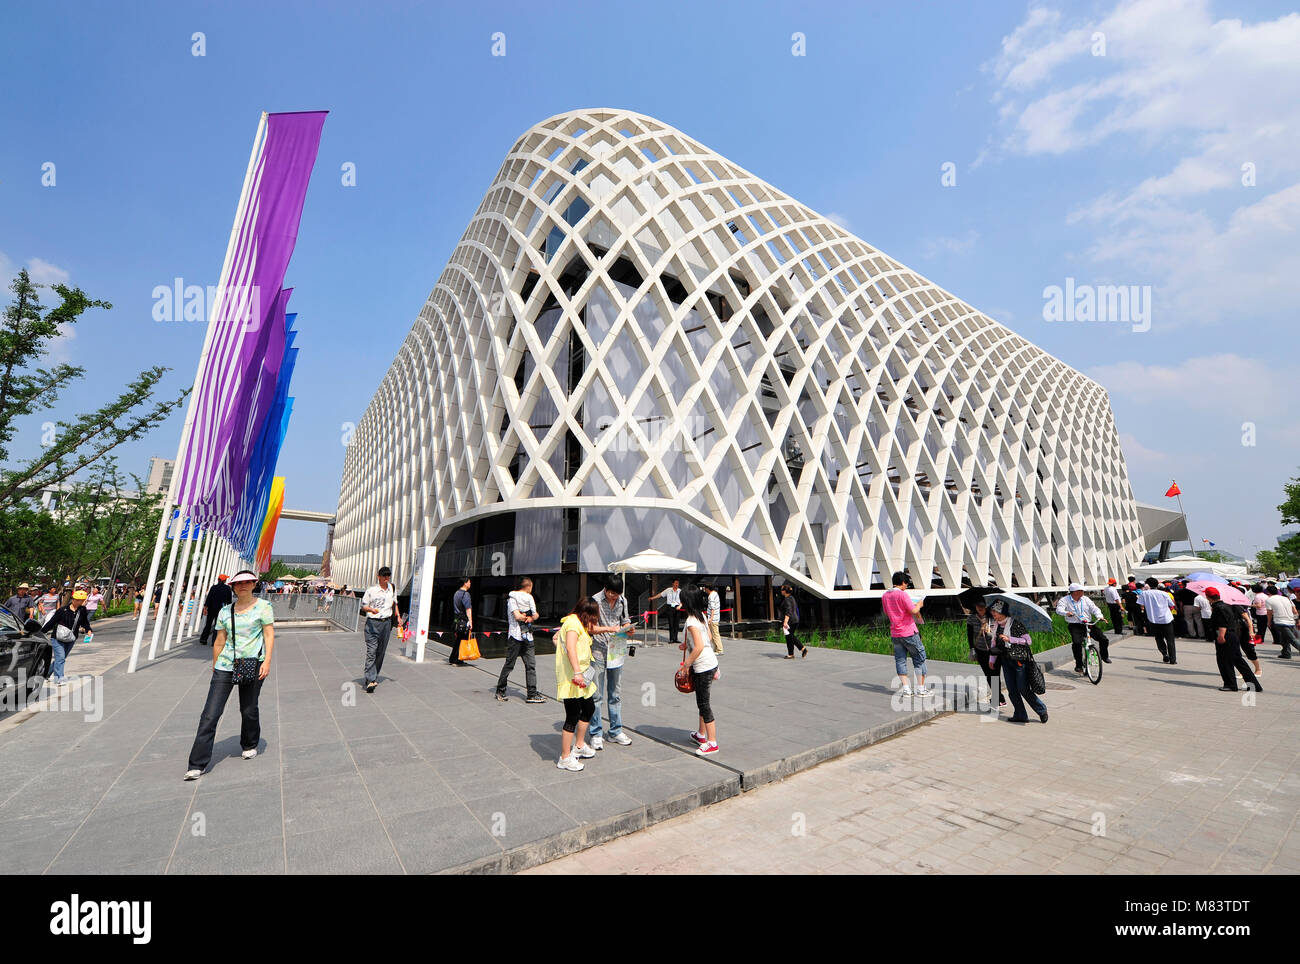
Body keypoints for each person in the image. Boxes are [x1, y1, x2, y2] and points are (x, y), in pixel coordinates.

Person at [184, 571, 275, 779]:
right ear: (232, 587)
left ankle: (250, 743)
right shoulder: (226, 611)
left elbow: (269, 635)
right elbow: (219, 641)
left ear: (254, 584)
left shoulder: (264, 607)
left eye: (247, 582)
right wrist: (216, 665)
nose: (242, 586)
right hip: (226, 665)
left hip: (253, 663)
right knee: (210, 714)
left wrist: (267, 661)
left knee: (248, 708)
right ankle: (197, 764)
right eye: (238, 583)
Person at [588, 578, 637, 748]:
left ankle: (615, 731)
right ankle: (595, 732)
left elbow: (625, 621)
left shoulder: (622, 601)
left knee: (615, 693)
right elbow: (591, 628)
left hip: (616, 649)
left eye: (617, 595)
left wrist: (629, 628)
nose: (613, 598)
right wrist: (610, 629)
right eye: (611, 594)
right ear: (605, 589)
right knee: (596, 695)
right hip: (598, 650)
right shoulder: (594, 601)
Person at [555, 595, 600, 772]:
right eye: (593, 616)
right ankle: (565, 757)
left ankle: (579, 745)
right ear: (586, 613)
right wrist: (577, 672)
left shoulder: (578, 622)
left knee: (589, 708)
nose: (594, 620)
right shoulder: (573, 623)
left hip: (582, 676)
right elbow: (571, 648)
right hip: (573, 677)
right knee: (572, 715)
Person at [989, 600, 1047, 723]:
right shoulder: (996, 625)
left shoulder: (1016, 624)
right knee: (1012, 690)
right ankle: (1020, 714)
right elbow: (994, 643)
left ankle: (1041, 710)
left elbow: (1028, 641)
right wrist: (992, 659)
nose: (993, 613)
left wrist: (1010, 639)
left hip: (1019, 662)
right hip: (1006, 661)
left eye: (995, 611)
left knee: (1023, 689)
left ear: (1002, 612)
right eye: (992, 611)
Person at [680, 586, 720, 756]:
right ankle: (700, 735)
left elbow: (698, 647)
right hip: (711, 662)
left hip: (702, 665)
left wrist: (685, 665)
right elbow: (708, 639)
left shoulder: (690, 621)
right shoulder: (701, 616)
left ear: (686, 602)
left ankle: (712, 742)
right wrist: (686, 645)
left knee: (704, 704)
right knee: (703, 701)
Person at [495, 576, 545, 703]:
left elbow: (532, 615)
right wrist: (529, 617)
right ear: (528, 587)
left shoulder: (523, 598)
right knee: (510, 664)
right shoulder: (512, 599)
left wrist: (529, 618)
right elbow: (518, 616)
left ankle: (532, 693)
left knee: (531, 665)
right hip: (516, 636)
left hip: (528, 636)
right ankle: (500, 690)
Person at [1206, 586, 1260, 693]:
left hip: (1225, 636)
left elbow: (1222, 623)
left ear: (1208, 597)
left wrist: (1221, 636)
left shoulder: (1219, 607)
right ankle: (1253, 684)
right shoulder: (1227, 605)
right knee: (1238, 660)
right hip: (1232, 635)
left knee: (1224, 661)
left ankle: (1230, 684)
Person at [883, 571, 927, 695]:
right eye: (906, 584)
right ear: (903, 582)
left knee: (900, 660)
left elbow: (887, 612)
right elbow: (913, 610)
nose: (906, 586)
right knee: (919, 658)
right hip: (908, 632)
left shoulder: (885, 595)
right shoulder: (903, 595)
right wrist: (919, 604)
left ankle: (906, 689)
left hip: (895, 633)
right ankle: (921, 689)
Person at [360, 566, 399, 693]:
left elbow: (394, 604)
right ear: (379, 576)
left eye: (388, 576)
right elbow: (364, 606)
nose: (387, 578)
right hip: (372, 623)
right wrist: (371, 610)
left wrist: (398, 617)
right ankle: (370, 679)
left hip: (386, 623)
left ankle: (373, 675)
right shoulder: (372, 590)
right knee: (372, 651)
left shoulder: (391, 589)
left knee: (381, 652)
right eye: (384, 576)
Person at [42, 589, 93, 685]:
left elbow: (85, 622)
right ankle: (59, 679)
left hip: (71, 638)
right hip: (57, 638)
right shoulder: (63, 610)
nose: (82, 602)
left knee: (60, 658)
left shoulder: (82, 610)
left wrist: (88, 629)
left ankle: (45, 674)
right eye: (80, 600)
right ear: (74, 599)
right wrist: (41, 632)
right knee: (60, 658)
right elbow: (51, 622)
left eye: (83, 600)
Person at [1056, 583, 1111, 671]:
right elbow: (1059, 609)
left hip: (1088, 623)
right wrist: (1066, 613)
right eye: (1082, 591)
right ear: (1076, 592)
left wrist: (1099, 616)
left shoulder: (1085, 599)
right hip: (1075, 625)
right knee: (1077, 643)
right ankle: (1079, 665)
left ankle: (1104, 656)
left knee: (1103, 639)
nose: (1083, 592)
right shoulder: (1064, 600)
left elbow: (1094, 608)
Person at [966, 599, 1003, 706]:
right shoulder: (972, 618)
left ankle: (997, 698)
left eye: (982, 606)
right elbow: (969, 635)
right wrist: (972, 648)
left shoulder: (993, 617)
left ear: (987, 607)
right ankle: (998, 697)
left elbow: (1001, 631)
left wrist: (991, 633)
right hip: (980, 650)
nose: (980, 608)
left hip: (994, 651)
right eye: (978, 606)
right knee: (988, 674)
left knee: (995, 674)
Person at [1138, 577, 1177, 664]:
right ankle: (1173, 659)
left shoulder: (1144, 594)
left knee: (1158, 638)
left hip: (1153, 619)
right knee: (1170, 639)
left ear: (1148, 584)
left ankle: (1164, 653)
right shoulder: (1164, 593)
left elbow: (1141, 605)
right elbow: (1171, 604)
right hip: (1166, 618)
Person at [198, 574, 233, 647]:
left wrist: (205, 607)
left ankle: (203, 639)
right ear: (224, 580)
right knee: (217, 625)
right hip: (221, 609)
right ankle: (214, 641)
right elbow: (229, 601)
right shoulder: (227, 588)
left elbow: (209, 598)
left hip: (211, 608)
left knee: (208, 624)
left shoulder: (213, 587)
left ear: (218, 580)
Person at [649, 578, 684, 645]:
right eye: (675, 583)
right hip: (670, 607)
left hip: (677, 607)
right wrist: (652, 598)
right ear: (673, 584)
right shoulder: (668, 590)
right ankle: (671, 639)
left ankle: (676, 638)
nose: (677, 584)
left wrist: (680, 605)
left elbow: (683, 599)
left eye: (678, 583)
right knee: (671, 623)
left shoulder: (680, 591)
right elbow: (660, 594)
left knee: (676, 623)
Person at [1265, 586, 1297, 659]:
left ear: (1268, 593)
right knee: (1284, 638)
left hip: (1280, 621)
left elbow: (1269, 613)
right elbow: (1294, 610)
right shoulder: (1286, 598)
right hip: (1291, 620)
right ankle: (1286, 653)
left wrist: (1269, 622)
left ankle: (1286, 653)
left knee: (1292, 640)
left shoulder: (1269, 600)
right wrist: (1296, 619)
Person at [779, 582, 808, 659]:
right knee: (791, 636)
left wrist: (785, 622)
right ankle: (802, 649)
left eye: (782, 589)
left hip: (790, 621)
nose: (781, 591)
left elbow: (788, 611)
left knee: (789, 637)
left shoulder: (787, 600)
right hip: (795, 620)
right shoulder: (792, 598)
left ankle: (791, 654)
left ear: (785, 591)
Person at [450, 576, 473, 666]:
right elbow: (468, 609)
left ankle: (453, 658)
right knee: (462, 639)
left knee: (458, 639)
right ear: (465, 583)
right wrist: (470, 621)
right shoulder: (465, 594)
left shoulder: (456, 593)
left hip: (457, 619)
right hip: (464, 619)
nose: (470, 584)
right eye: (469, 582)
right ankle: (458, 659)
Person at [705, 581, 725, 658]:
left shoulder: (711, 596)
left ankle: (719, 650)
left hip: (713, 618)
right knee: (714, 634)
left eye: (705, 589)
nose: (705, 590)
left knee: (715, 634)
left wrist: (710, 618)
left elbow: (712, 608)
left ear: (708, 589)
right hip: (716, 617)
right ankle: (716, 649)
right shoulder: (715, 594)